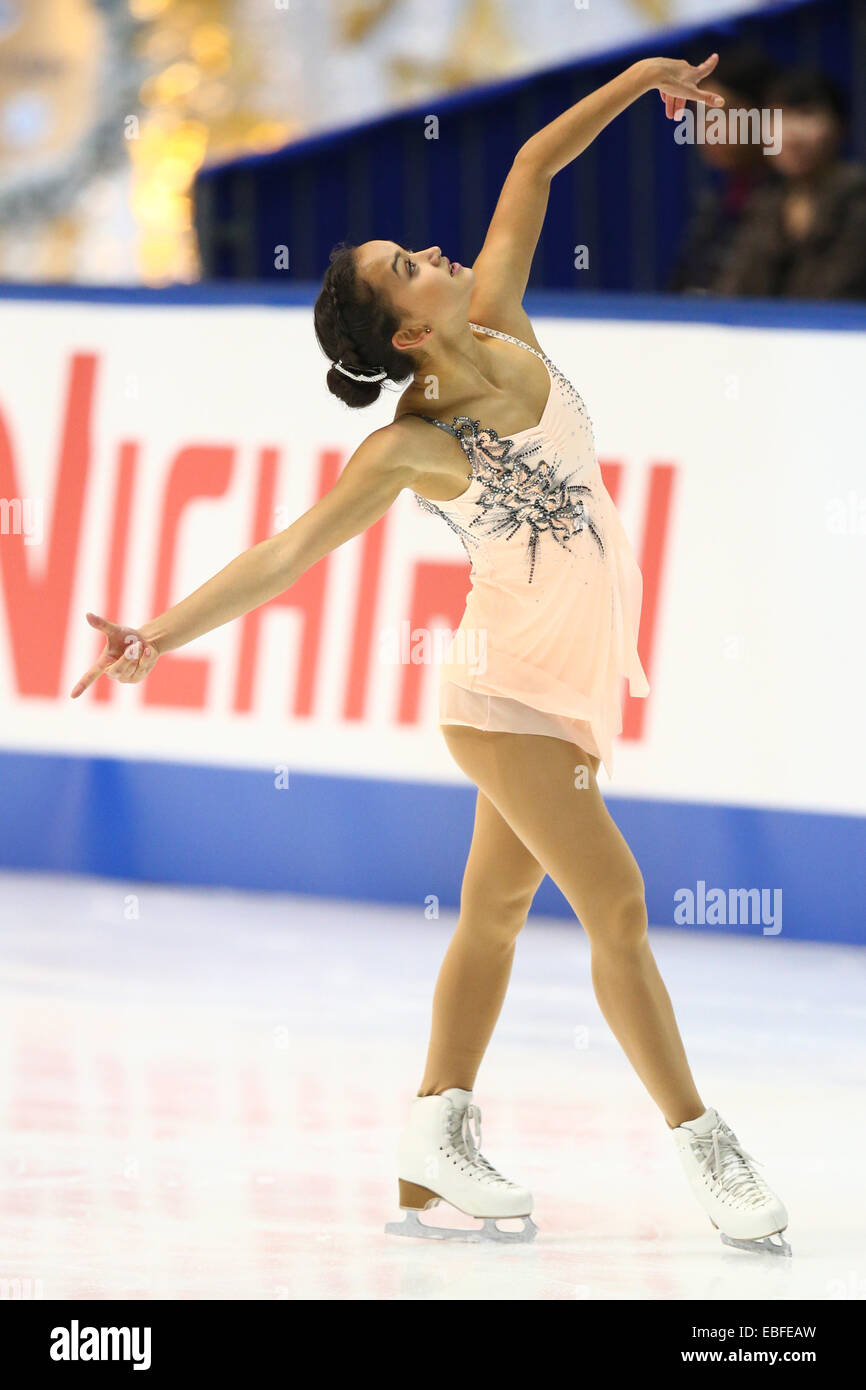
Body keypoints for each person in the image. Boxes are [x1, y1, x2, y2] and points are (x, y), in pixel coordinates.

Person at [71, 54, 790, 1254]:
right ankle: (702, 1144)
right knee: (614, 902)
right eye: (411, 267)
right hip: (500, 693)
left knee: (493, 916)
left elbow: (530, 162)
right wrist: (154, 636)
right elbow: (284, 552)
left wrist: (648, 78)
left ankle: (427, 1141)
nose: (437, 255)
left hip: (561, 684)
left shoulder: (501, 321)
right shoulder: (409, 449)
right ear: (407, 329)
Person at [716, 67, 866, 299]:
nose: (790, 134)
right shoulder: (764, 204)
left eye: (806, 114)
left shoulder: (857, 202)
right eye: (777, 117)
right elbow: (734, 291)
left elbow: (838, 293)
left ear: (840, 126)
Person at [668, 43, 777, 294]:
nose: (708, 129)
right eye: (701, 114)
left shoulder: (792, 206)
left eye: (724, 114)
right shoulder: (714, 203)